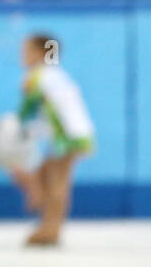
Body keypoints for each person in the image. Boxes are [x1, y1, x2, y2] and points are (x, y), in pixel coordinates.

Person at [7, 32, 95, 246]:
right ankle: (48, 224)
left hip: (67, 136)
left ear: (41, 53)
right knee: (49, 175)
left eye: (27, 51)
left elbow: (28, 111)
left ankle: (51, 228)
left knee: (57, 180)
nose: (23, 55)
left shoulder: (37, 77)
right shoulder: (54, 74)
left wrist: (17, 131)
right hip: (73, 134)